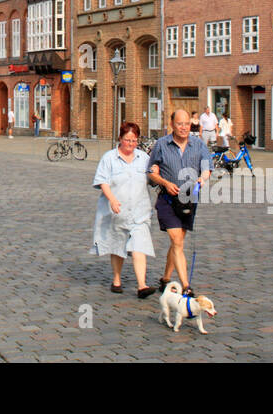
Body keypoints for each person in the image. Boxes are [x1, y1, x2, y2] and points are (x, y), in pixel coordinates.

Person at [147, 109, 213, 297]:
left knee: (178, 243)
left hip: (188, 200)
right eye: (179, 124)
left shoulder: (199, 145)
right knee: (176, 240)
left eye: (186, 124)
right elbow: (151, 172)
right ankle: (186, 285)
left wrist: (202, 178)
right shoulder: (161, 145)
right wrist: (165, 183)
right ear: (172, 124)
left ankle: (166, 279)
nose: (183, 127)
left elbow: (207, 167)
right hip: (167, 200)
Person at [91, 121, 156, 297]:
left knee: (139, 246)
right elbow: (103, 180)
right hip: (117, 212)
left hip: (139, 210)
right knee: (117, 244)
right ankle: (117, 279)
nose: (131, 144)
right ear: (120, 139)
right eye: (127, 140)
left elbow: (153, 178)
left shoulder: (143, 158)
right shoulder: (109, 157)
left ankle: (142, 285)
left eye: (134, 141)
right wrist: (112, 199)